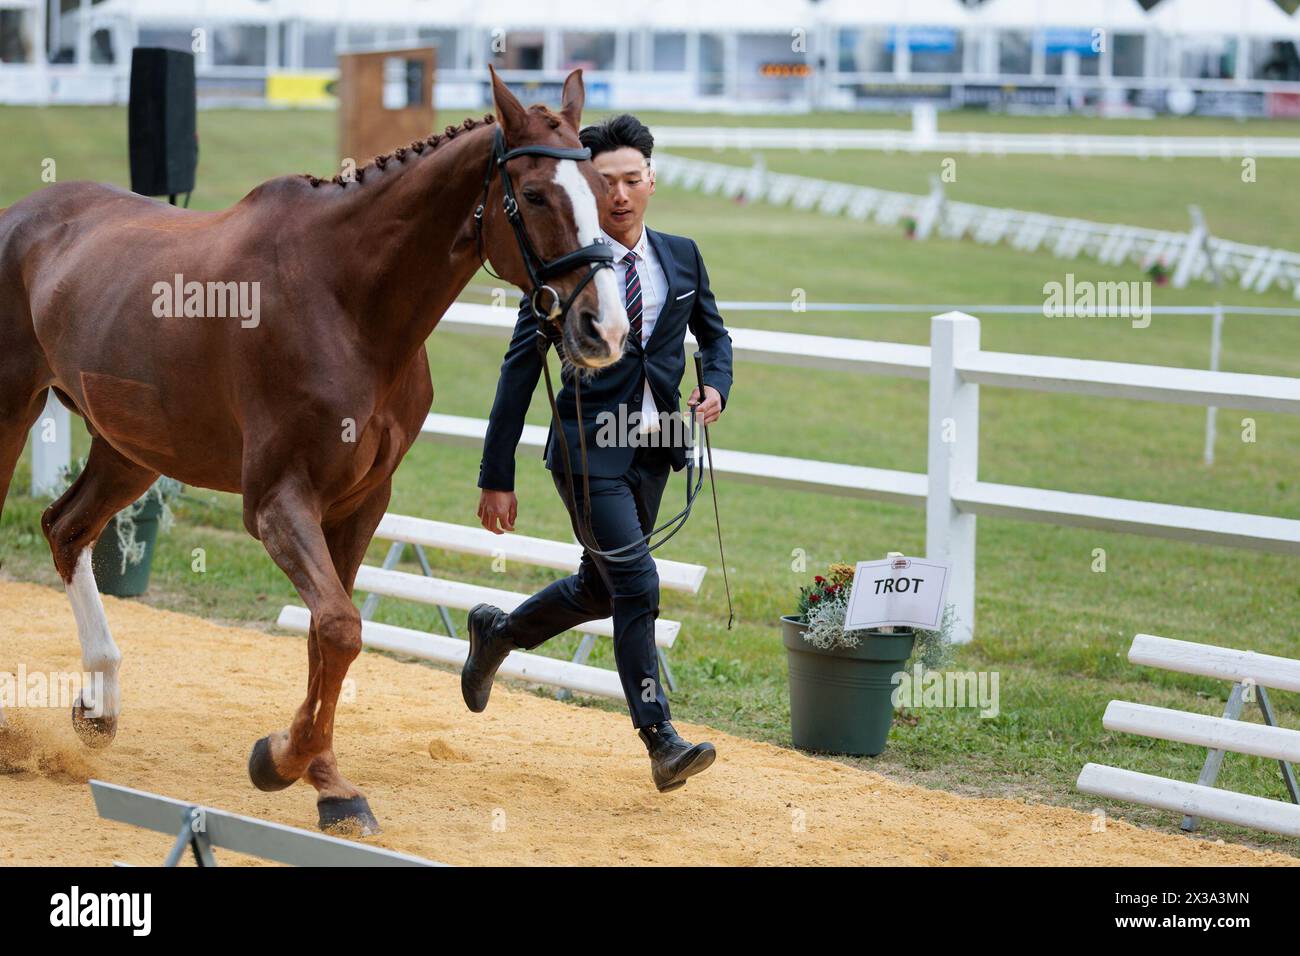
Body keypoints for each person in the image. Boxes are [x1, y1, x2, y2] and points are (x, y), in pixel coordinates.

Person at [463, 113, 734, 793]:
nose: (619, 194)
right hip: (588, 457)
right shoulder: (565, 271)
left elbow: (714, 337)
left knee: (600, 587)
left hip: (657, 451)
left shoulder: (682, 255)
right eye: (605, 181)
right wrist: (497, 476)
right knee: (637, 586)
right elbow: (517, 374)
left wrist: (716, 389)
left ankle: (499, 633)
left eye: (631, 180)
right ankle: (660, 738)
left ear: (651, 181)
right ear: (590, 183)